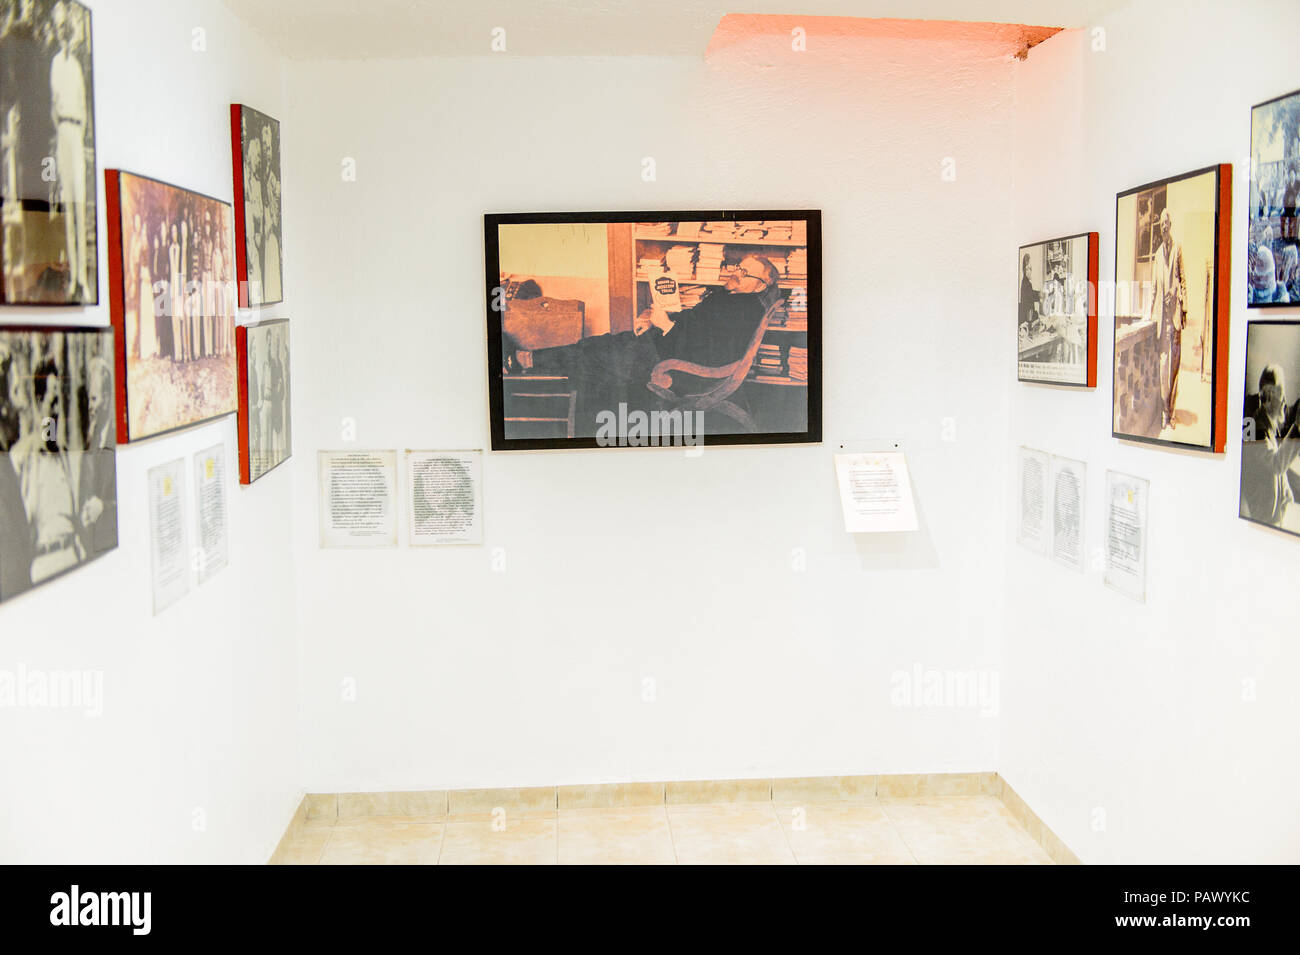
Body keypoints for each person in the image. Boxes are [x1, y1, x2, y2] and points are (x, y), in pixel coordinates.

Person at [509, 254, 781, 434]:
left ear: (759, 286)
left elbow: (707, 352)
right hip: (663, 346)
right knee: (601, 344)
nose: (736, 273)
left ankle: (530, 366)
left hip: (675, 367)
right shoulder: (731, 297)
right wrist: (658, 322)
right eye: (738, 267)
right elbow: (697, 324)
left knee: (594, 356)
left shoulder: (742, 310)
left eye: (745, 273)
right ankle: (530, 361)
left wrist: (666, 326)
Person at [13, 356, 81, 583]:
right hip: (43, 566)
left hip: (73, 557)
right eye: (52, 401)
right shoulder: (22, 457)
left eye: (59, 401)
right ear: (38, 400)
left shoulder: (65, 458)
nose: (58, 410)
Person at [49, 1, 89, 301]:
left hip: (76, 130)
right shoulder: (56, 64)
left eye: (67, 30)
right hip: (63, 130)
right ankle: (73, 277)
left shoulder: (75, 65)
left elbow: (83, 104)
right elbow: (54, 103)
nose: (64, 35)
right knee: (68, 203)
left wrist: (78, 130)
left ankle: (82, 278)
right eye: (60, 30)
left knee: (81, 200)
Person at [1242, 364, 1300, 526]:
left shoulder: (1266, 425)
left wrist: (1286, 491)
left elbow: (1271, 470)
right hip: (1261, 520)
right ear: (1269, 393)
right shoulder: (1255, 427)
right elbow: (1275, 465)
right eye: (1282, 392)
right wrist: (1298, 428)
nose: (1284, 401)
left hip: (1273, 517)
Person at [0, 342, 35, 598]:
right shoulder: (18, 452)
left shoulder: (26, 446)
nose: (19, 403)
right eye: (14, 391)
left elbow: (50, 442)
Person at [1148, 208, 1186, 430]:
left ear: (1171, 226)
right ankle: (1165, 412)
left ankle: (1172, 412)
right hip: (1162, 319)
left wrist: (1184, 306)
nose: (1164, 226)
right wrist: (1149, 311)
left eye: (1167, 223)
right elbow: (1153, 288)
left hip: (1175, 318)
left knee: (1174, 366)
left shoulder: (1177, 249)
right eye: (1161, 223)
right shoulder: (1157, 254)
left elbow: (1183, 280)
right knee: (1164, 365)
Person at [76, 354, 115, 558]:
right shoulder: (91, 439)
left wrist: (103, 507)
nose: (90, 406)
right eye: (88, 399)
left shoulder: (115, 439)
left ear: (107, 398)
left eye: (94, 398)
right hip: (90, 546)